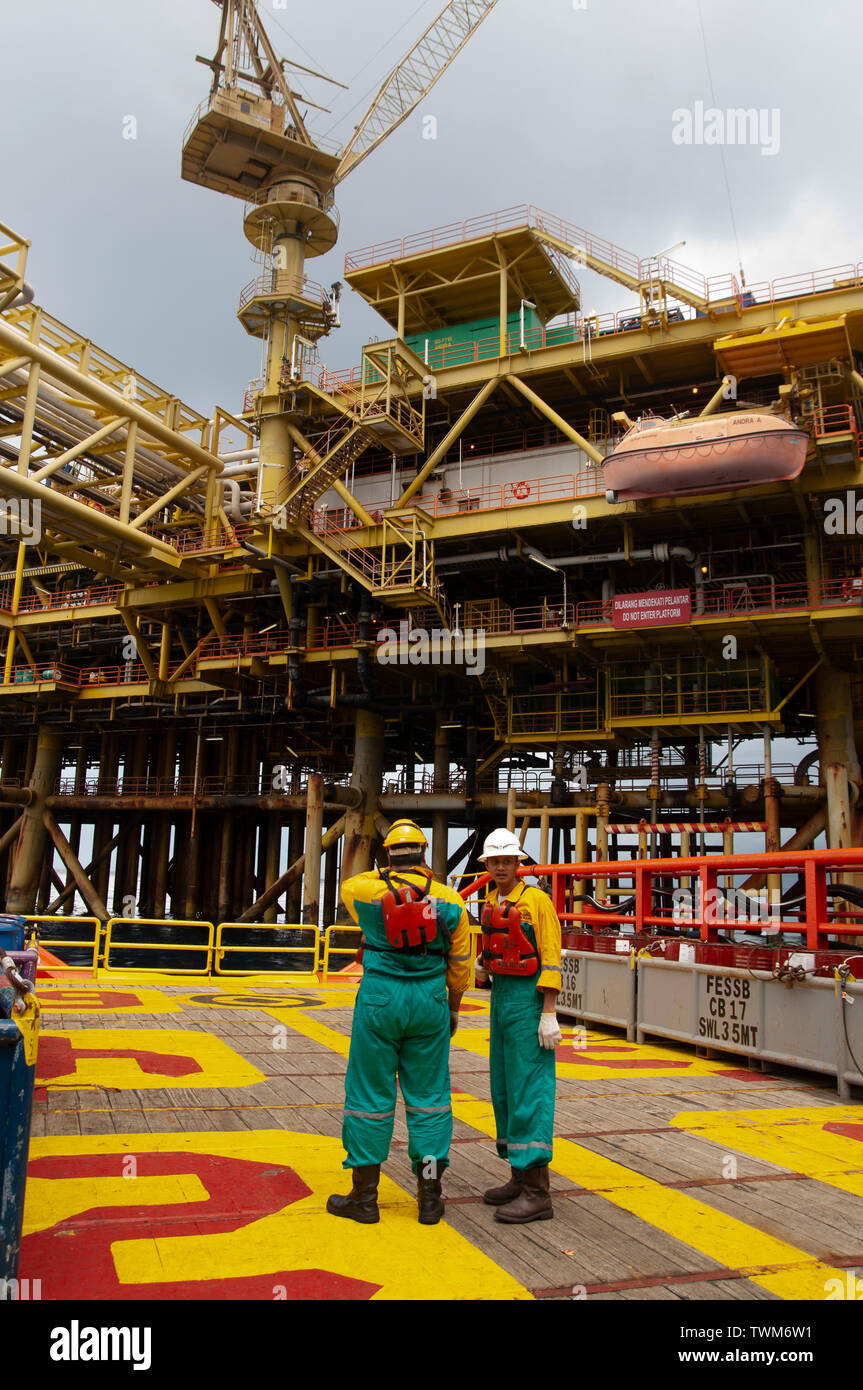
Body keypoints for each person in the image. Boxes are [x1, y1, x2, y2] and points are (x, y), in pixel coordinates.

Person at [327, 819, 472, 1225]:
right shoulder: (452, 902)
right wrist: (453, 1008)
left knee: (369, 1095)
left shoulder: (363, 891)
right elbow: (461, 965)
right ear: (425, 855)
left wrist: (382, 872)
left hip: (380, 998)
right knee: (429, 1098)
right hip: (429, 1000)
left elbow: (350, 887)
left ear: (388, 854)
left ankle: (365, 1197)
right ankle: (429, 1197)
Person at [474, 828, 562, 1223]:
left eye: (507, 861)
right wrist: (482, 968)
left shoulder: (537, 902)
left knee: (530, 1090)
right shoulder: (491, 901)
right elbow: (495, 948)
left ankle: (537, 1192)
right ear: (488, 865)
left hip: (528, 1005)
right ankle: (516, 1173)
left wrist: (549, 1012)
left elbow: (551, 956)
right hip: (502, 1002)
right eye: (494, 862)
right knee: (504, 1088)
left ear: (518, 863)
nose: (501, 867)